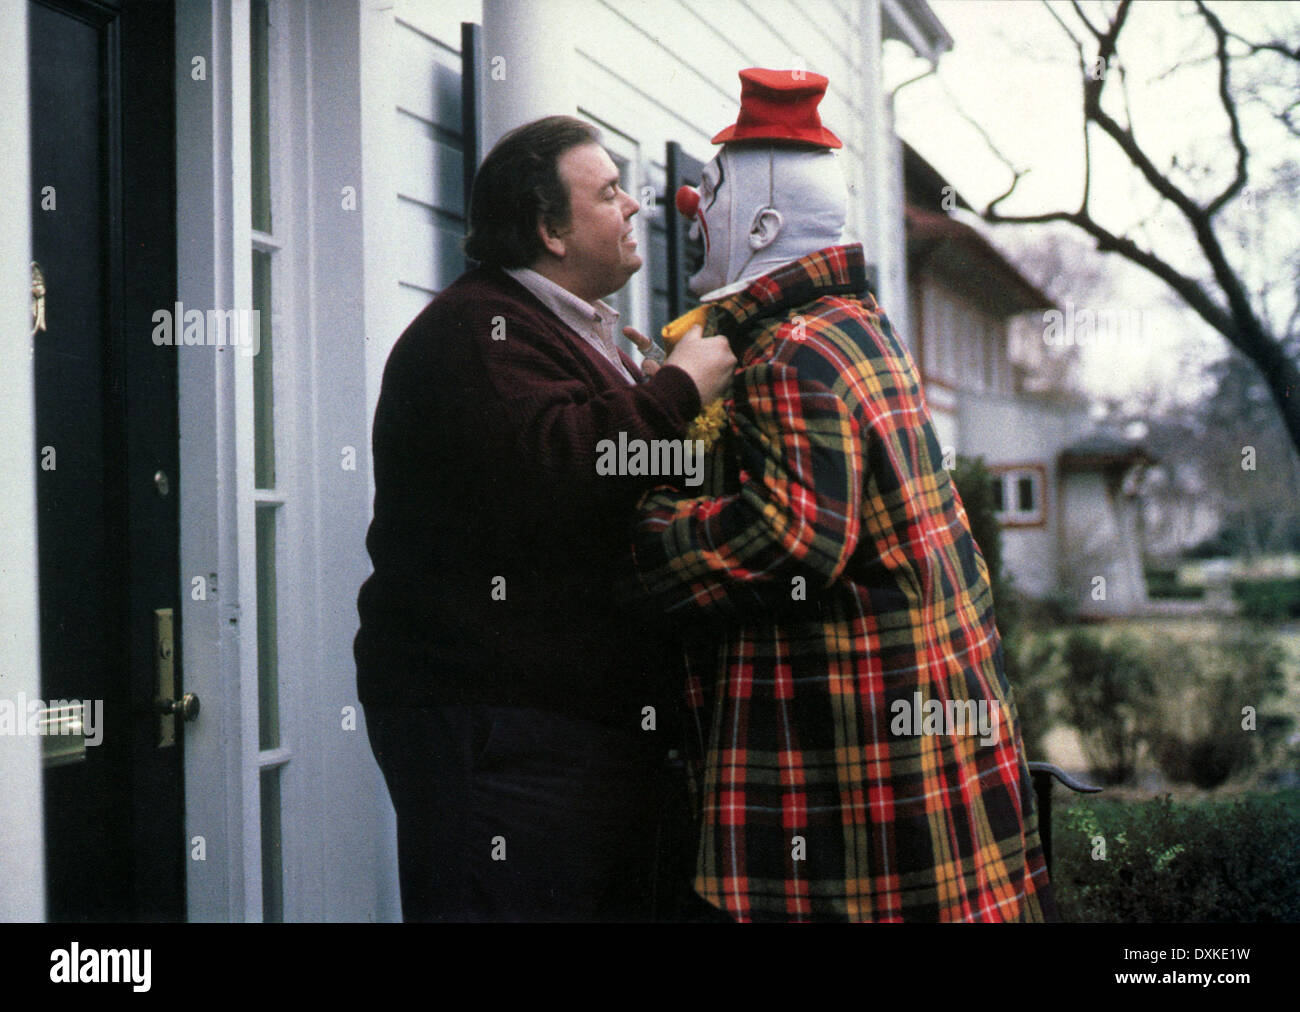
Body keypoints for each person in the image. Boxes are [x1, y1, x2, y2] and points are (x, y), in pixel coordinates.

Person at [629, 68, 1056, 921]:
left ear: (763, 225)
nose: (692, 211)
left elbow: (794, 538)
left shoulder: (788, 351)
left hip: (857, 737)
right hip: (922, 715)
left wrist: (650, 534)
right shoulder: (856, 328)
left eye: (710, 193)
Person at [354, 114, 736, 921]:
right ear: (547, 229)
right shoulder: (477, 331)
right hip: (494, 732)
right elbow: (564, 466)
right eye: (608, 193)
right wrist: (677, 390)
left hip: (557, 731)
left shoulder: (568, 331)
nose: (636, 206)